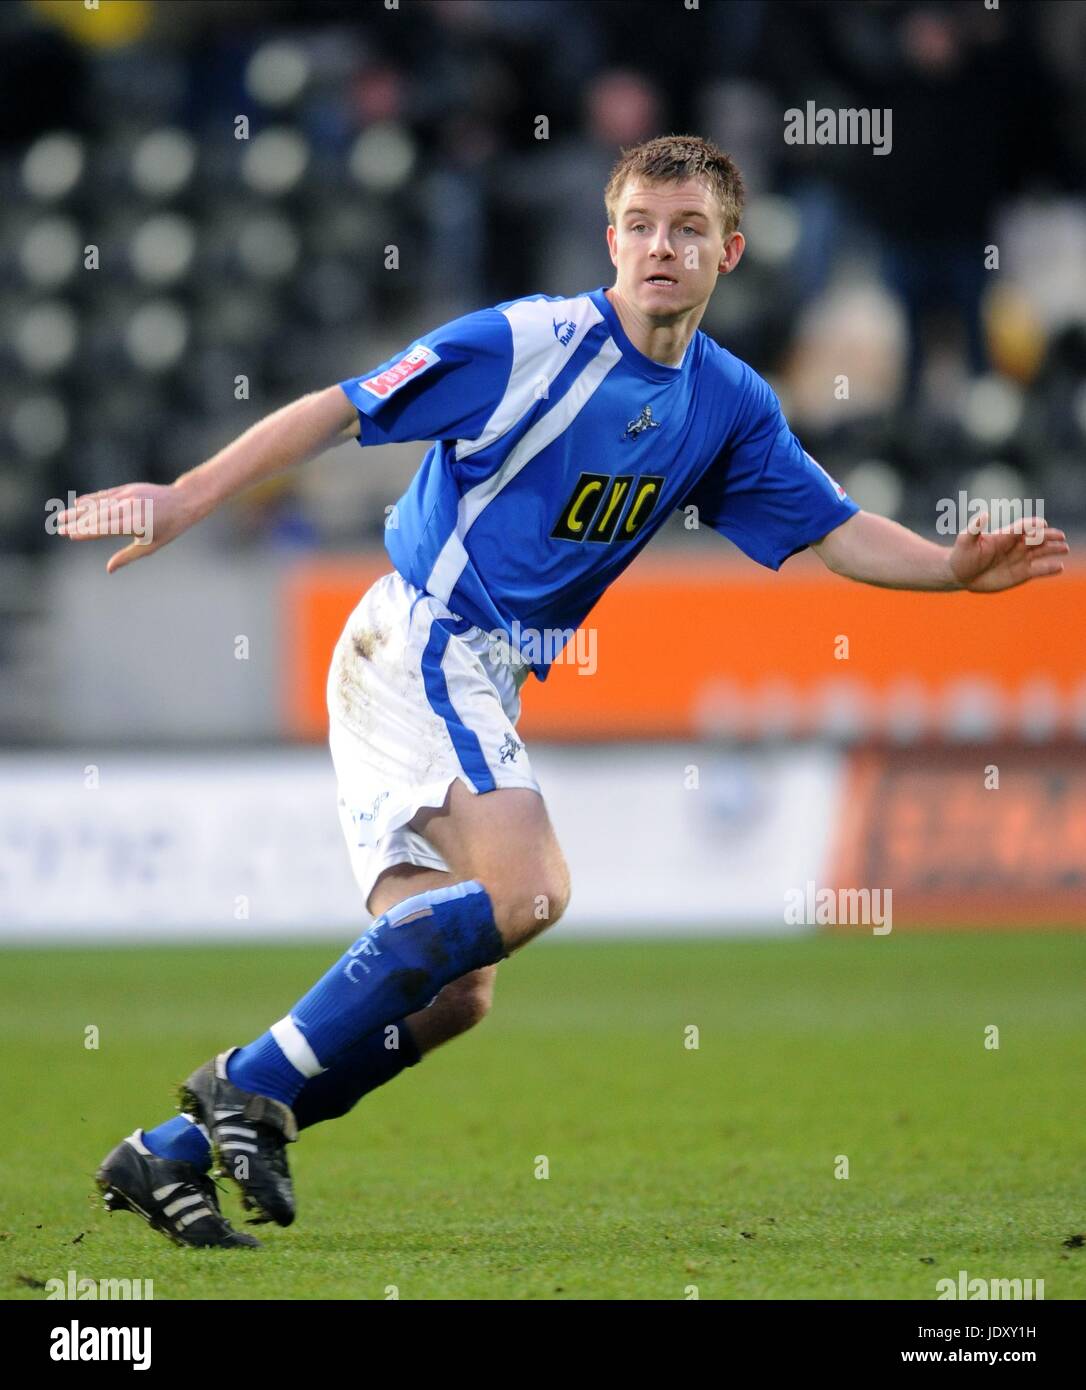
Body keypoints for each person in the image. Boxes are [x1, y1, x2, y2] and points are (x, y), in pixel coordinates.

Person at [61, 135, 1067, 1249]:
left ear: (730, 251)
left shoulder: (726, 402)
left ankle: (168, 1152)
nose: (660, 248)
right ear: (610, 239)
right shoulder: (528, 342)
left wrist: (955, 575)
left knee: (452, 994)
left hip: (466, 669)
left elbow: (834, 531)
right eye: (639, 225)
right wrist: (186, 498)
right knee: (532, 889)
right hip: (423, 639)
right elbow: (341, 406)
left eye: (688, 230)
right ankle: (244, 1086)